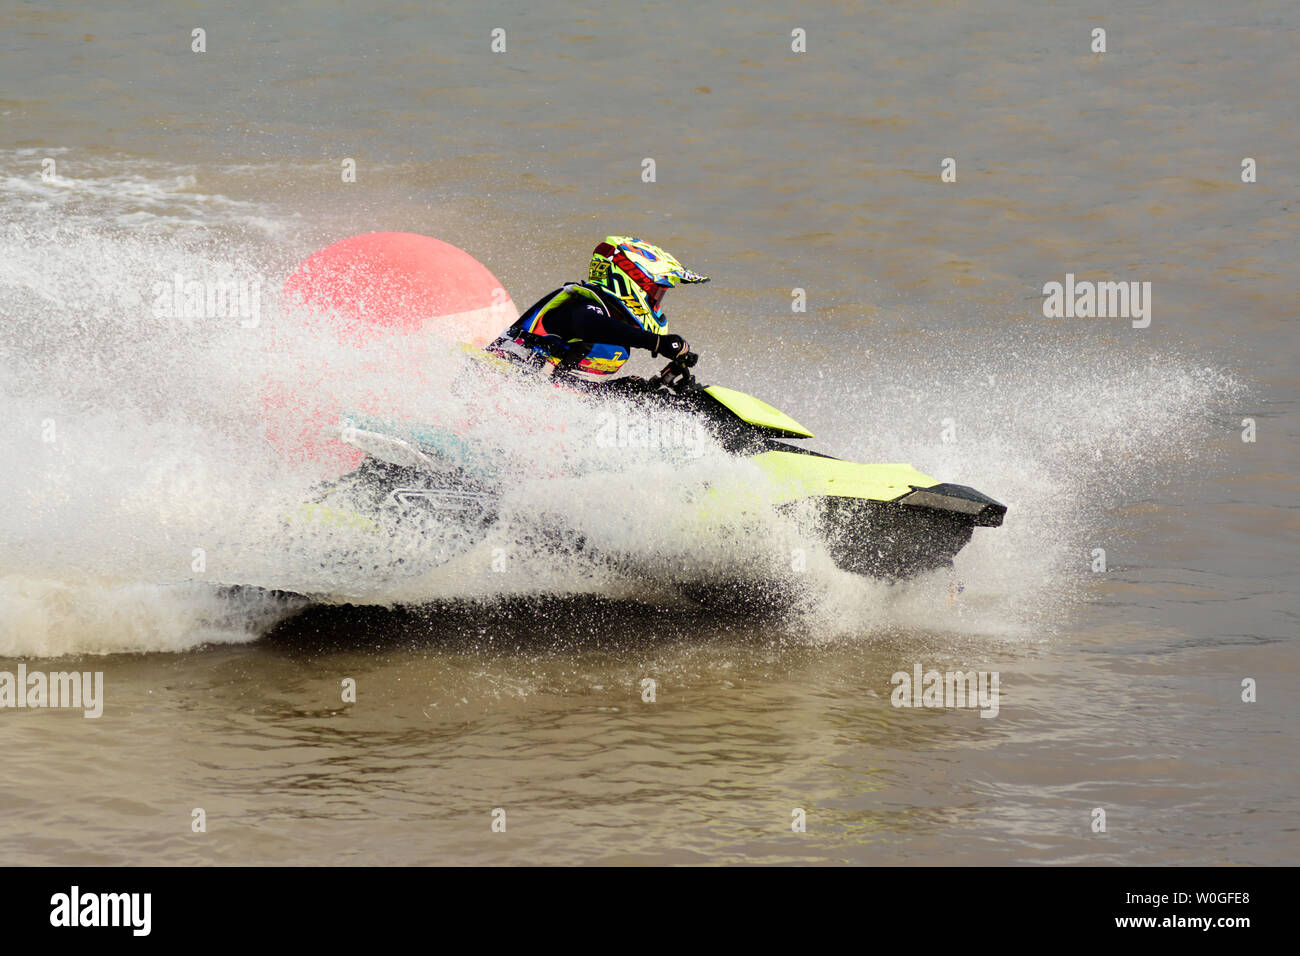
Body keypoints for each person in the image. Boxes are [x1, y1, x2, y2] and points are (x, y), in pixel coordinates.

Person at [485, 236, 708, 385]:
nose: (656, 301)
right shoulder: (583, 307)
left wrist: (643, 388)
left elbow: (566, 385)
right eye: (655, 292)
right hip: (494, 385)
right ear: (629, 280)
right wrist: (657, 343)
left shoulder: (613, 326)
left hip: (531, 401)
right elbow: (589, 324)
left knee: (637, 391)